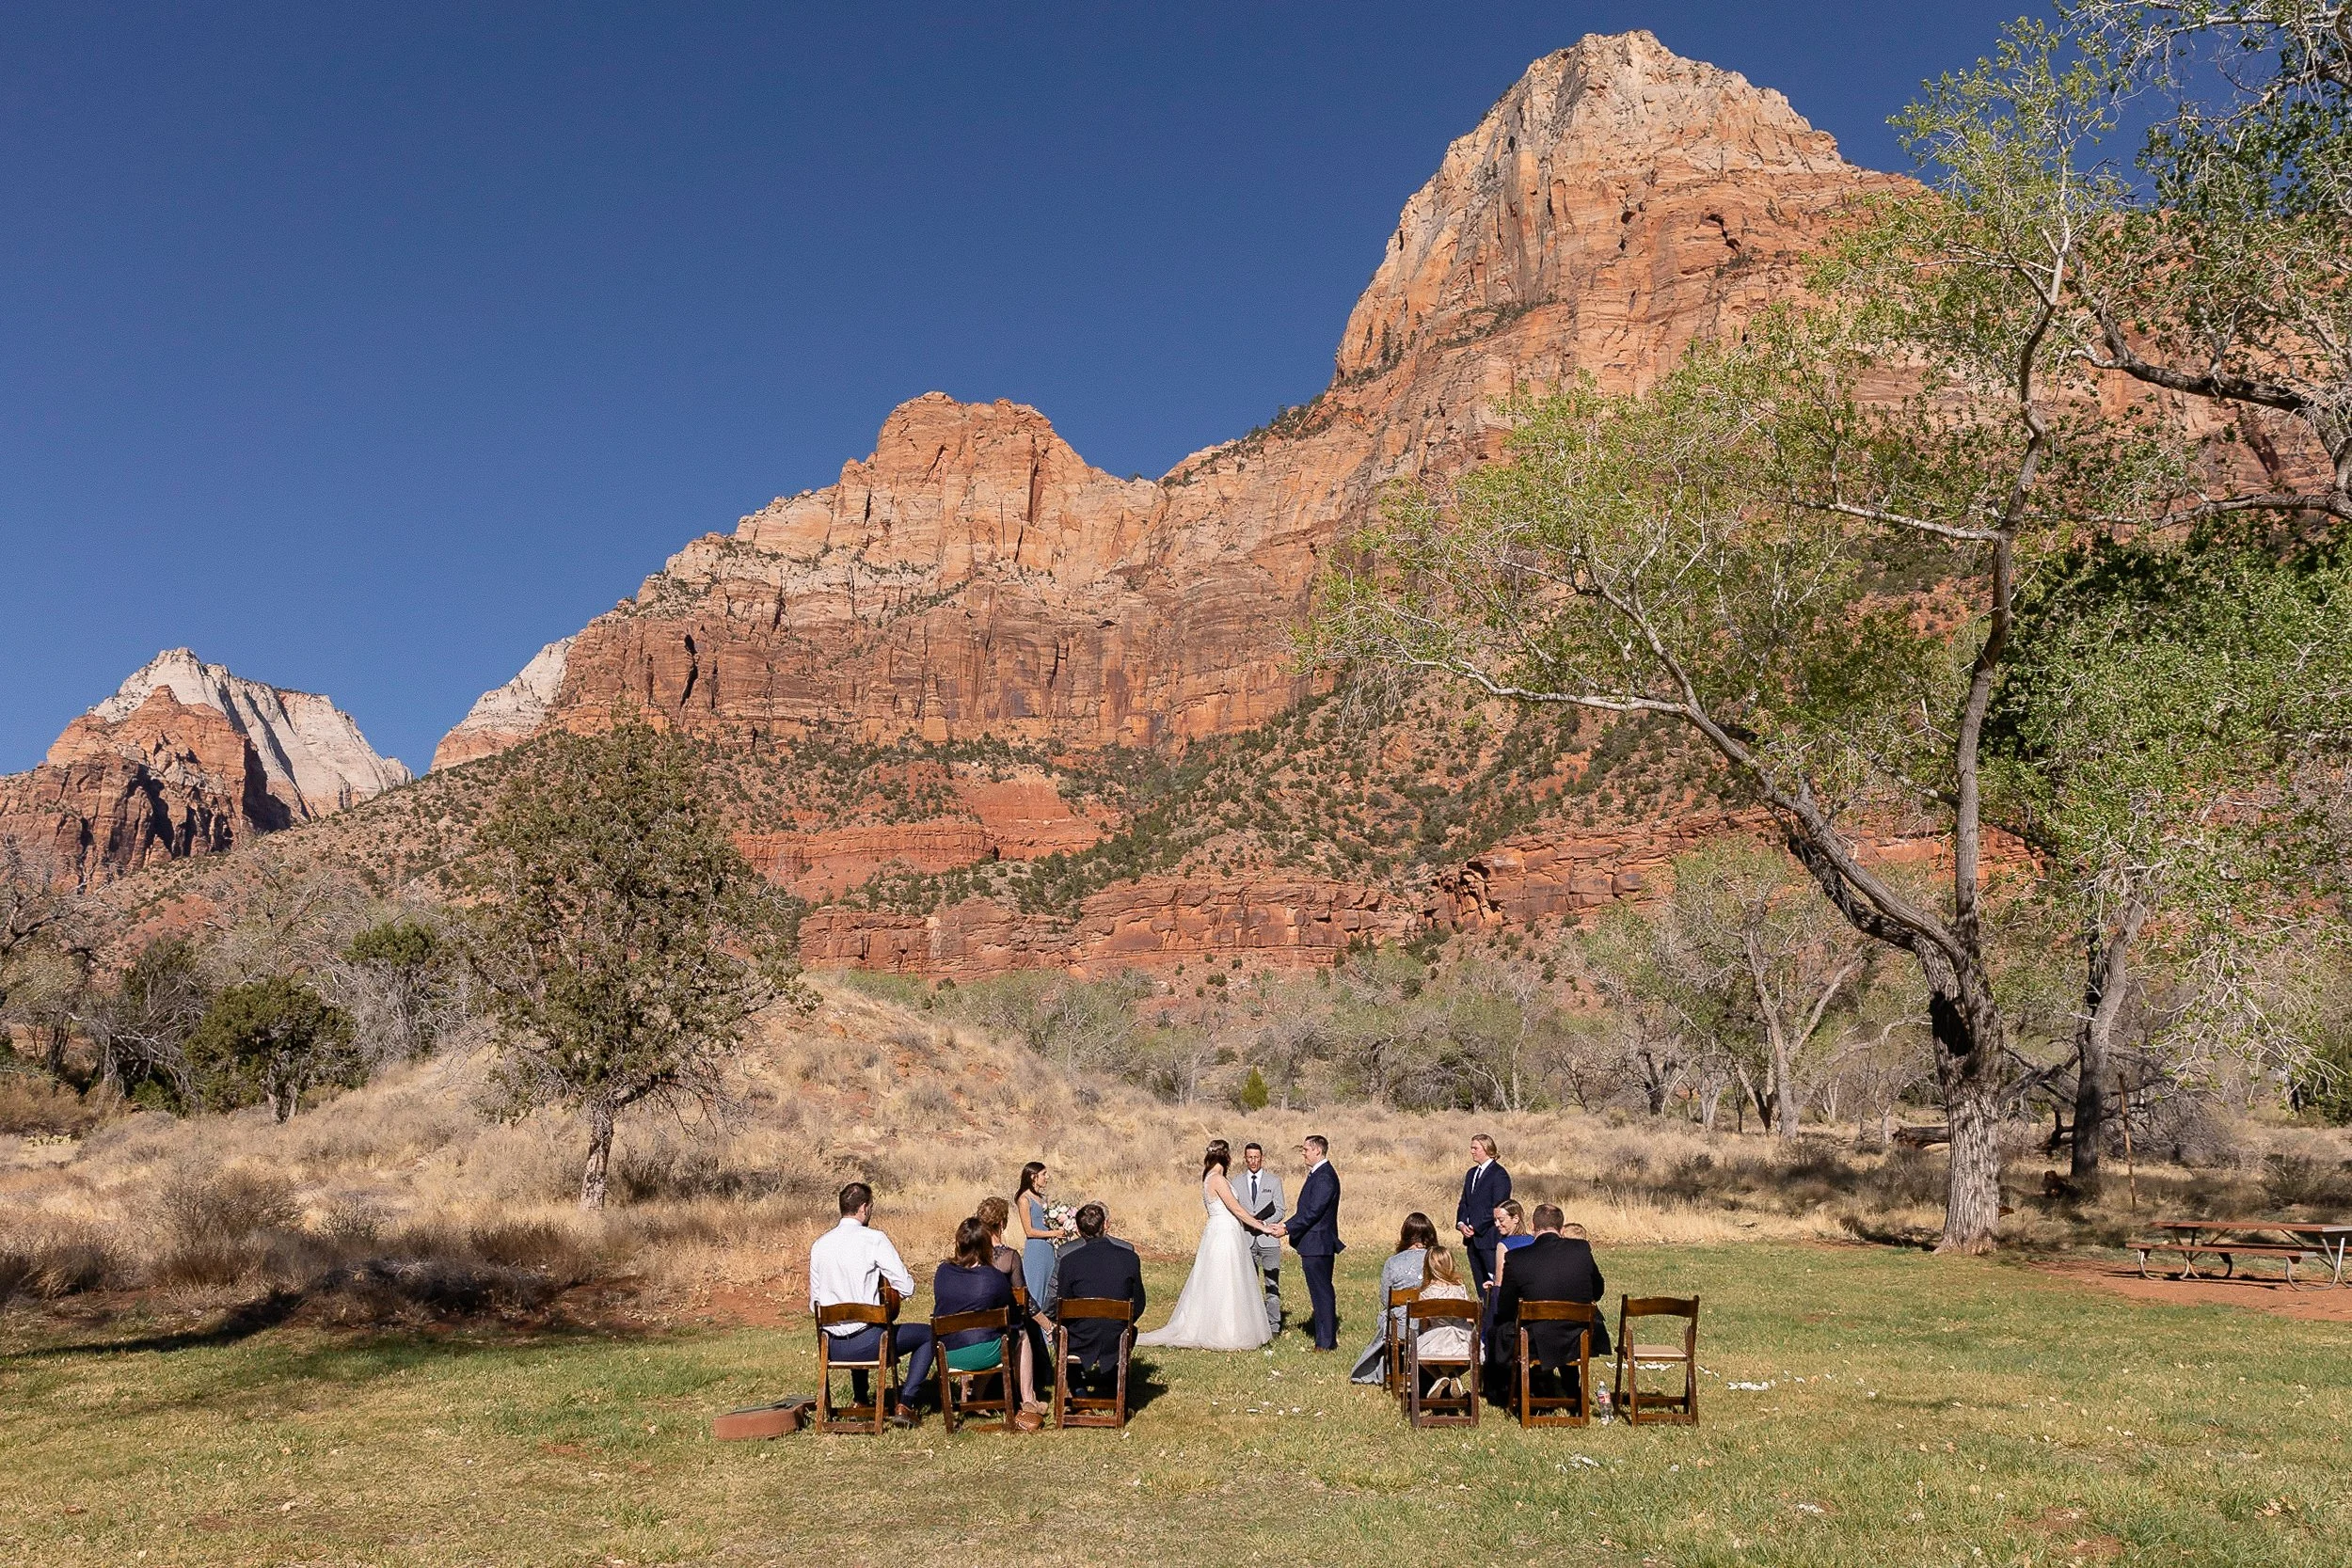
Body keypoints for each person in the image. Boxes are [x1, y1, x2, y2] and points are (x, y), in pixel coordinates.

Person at [1136, 1140, 1287, 1349]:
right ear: (1227, 1157)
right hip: (1224, 1234)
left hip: (1225, 1232)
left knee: (1229, 1280)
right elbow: (1238, 1210)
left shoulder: (1214, 1178)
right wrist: (1263, 1227)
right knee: (1224, 1280)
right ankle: (1224, 1331)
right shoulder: (1216, 1179)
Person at [808, 1180, 934, 1428]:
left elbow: (815, 1304)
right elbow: (906, 1287)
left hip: (831, 1347)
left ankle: (860, 1399)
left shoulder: (820, 1245)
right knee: (928, 1334)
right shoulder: (874, 1239)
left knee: (858, 1321)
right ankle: (906, 1403)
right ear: (864, 1208)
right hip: (870, 1344)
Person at [1488, 1203, 1612, 1409]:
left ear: (1532, 1225)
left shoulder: (1517, 1258)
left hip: (1535, 1340)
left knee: (1499, 1330)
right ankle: (1568, 1388)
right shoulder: (1581, 1250)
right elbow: (1597, 1291)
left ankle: (1506, 1390)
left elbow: (1506, 1307)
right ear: (1562, 1229)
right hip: (1577, 1336)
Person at [933, 1217, 1041, 1431]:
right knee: (1019, 1334)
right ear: (986, 1245)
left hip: (949, 1352)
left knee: (990, 1335)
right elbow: (1012, 1315)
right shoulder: (993, 1278)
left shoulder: (942, 1272)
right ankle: (1028, 1400)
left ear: (959, 1243)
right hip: (986, 1352)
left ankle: (975, 1398)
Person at [1047, 1202, 1148, 1395]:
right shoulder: (1129, 1258)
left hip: (1080, 1338)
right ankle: (1113, 1385)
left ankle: (1078, 1390)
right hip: (1117, 1336)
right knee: (1129, 1331)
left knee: (1060, 1334)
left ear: (1078, 1230)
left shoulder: (1069, 1261)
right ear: (1105, 1226)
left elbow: (1062, 1304)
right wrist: (1122, 1320)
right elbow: (1139, 1303)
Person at [1349, 1212, 1438, 1384]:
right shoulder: (1436, 1259)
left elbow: (1386, 1299)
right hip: (1431, 1326)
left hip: (1402, 1328)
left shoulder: (1393, 1262)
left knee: (1388, 1320)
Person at [1279, 1134, 1344, 1351]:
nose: (1303, 1153)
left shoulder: (1324, 1177)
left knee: (1322, 1292)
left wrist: (1286, 1227)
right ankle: (1323, 1337)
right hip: (1313, 1243)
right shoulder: (1317, 1174)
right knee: (1318, 1292)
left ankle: (1325, 1342)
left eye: (1306, 1149)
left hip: (1318, 1243)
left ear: (1318, 1150)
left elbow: (1312, 1212)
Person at [1413, 1243, 1477, 1399]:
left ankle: (1440, 1376)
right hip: (1461, 1340)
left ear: (1428, 1266)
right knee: (1475, 1356)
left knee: (1416, 1354)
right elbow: (1470, 1319)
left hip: (1437, 1338)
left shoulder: (1426, 1292)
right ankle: (1455, 1375)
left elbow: (1424, 1323)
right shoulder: (1460, 1288)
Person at [1237, 1141, 1285, 1336]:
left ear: (1262, 1157)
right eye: (1250, 1157)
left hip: (1269, 1241)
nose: (1253, 1161)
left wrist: (1263, 1224)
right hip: (1246, 1240)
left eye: (1256, 1157)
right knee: (1247, 1285)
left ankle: (1273, 1326)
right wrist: (1249, 1222)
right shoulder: (1236, 1182)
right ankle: (1249, 1325)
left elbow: (1281, 1209)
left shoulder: (1273, 1181)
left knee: (1272, 1285)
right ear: (1245, 1158)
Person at [1455, 1134, 1512, 1292]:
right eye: (1471, 1147)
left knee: (1494, 1283)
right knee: (1480, 1286)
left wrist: (1475, 1225)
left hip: (1489, 1238)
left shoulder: (1499, 1174)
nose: (1472, 1151)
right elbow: (1465, 1202)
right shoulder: (1471, 1173)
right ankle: (1483, 1314)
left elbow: (1498, 1207)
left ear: (1487, 1149)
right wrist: (1461, 1224)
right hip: (1472, 1240)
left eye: (1475, 1148)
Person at [1015, 1162, 1070, 1318]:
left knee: (1049, 1286)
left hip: (1047, 1248)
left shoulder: (1041, 1198)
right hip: (1036, 1249)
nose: (1047, 1177)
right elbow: (1029, 1231)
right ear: (1033, 1176)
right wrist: (1054, 1233)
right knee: (1036, 1287)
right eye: (1044, 1174)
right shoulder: (1024, 1199)